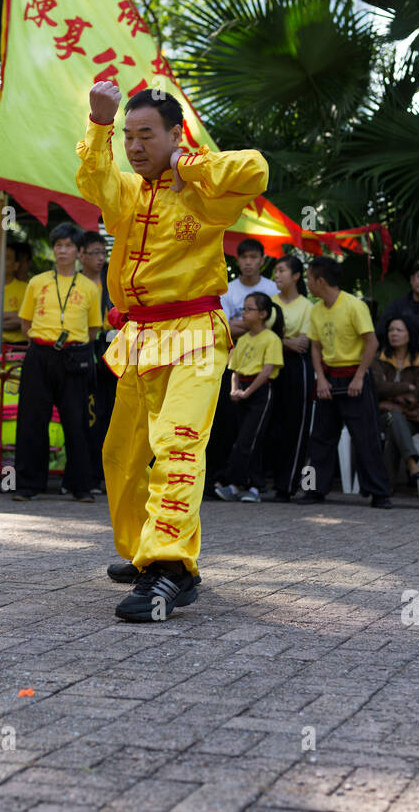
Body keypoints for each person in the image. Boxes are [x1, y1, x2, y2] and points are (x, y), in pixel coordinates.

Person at [76, 81, 268, 622]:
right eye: (128, 136)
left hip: (195, 337)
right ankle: (146, 552)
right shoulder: (127, 194)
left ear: (173, 136)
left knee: (177, 444)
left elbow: (254, 169)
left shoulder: (205, 191)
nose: (135, 147)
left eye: (146, 135)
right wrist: (97, 122)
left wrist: (192, 165)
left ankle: (170, 567)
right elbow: (92, 177)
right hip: (139, 339)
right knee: (124, 456)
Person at [11, 222, 101, 504]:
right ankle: (27, 485)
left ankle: (80, 486)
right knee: (31, 420)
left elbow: (93, 329)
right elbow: (25, 324)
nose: (62, 251)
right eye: (58, 246)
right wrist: (46, 342)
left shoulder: (89, 287)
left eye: (68, 246)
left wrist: (73, 346)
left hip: (74, 357)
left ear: (79, 252)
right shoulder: (38, 282)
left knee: (77, 421)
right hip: (40, 354)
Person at [301, 256, 393, 508]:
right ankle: (314, 490)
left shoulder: (354, 305)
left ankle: (379, 493)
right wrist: (320, 378)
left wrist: (360, 376)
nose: (307, 283)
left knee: (366, 436)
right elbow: (316, 347)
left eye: (309, 278)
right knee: (321, 437)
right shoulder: (316, 309)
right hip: (329, 379)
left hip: (356, 377)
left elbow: (371, 342)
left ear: (320, 281)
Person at [215, 292, 285, 502]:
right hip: (242, 390)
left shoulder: (271, 339)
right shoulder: (243, 339)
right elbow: (234, 369)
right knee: (242, 439)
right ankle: (247, 485)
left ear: (263, 314)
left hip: (260, 391)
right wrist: (234, 390)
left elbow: (266, 371)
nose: (243, 313)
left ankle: (240, 485)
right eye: (243, 308)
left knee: (249, 439)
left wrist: (247, 392)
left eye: (249, 309)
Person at [269, 254, 315, 501]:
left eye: (282, 271)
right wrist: (285, 341)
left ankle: (286, 485)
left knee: (294, 425)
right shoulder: (268, 302)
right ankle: (257, 482)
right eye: (275, 271)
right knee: (267, 424)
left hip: (297, 369)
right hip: (266, 366)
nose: (277, 275)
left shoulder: (308, 306)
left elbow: (302, 345)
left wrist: (278, 340)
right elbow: (257, 334)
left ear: (296, 276)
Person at [372, 316, 419, 487]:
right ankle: (411, 462)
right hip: (382, 415)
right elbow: (377, 388)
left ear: (409, 335)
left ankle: (386, 485)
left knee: (394, 423)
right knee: (393, 417)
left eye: (399, 330)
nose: (394, 334)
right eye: (391, 330)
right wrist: (406, 387)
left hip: (411, 417)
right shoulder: (378, 359)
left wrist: (390, 389)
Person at [79, 230, 115, 490]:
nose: (101, 258)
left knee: (111, 411)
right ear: (81, 255)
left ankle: (108, 474)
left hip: (112, 347)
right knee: (85, 412)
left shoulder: (112, 278)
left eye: (103, 252)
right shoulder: (73, 282)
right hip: (81, 348)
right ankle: (86, 474)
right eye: (95, 253)